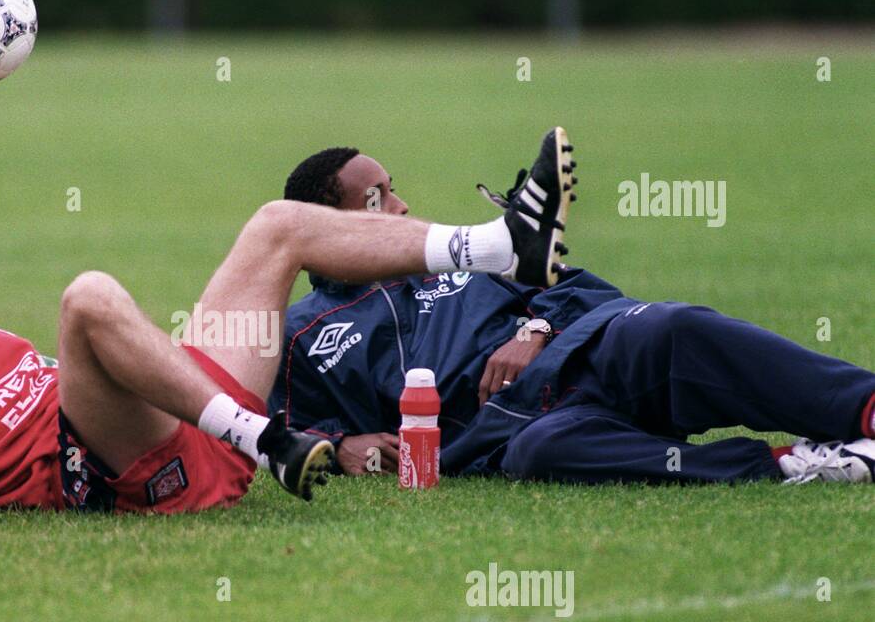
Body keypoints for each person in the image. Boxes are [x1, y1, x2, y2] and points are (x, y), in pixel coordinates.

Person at [0, 133, 570, 514]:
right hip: (116, 465)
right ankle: (266, 442)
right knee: (86, 295)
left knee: (276, 226)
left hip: (182, 421)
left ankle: (500, 247)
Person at [271, 143, 875, 484]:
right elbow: (268, 428)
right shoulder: (301, 332)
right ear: (327, 225)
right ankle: (795, 464)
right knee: (543, 455)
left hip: (583, 351)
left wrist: (536, 329)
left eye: (395, 188)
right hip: (508, 429)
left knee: (672, 326)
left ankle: (863, 408)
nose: (402, 207)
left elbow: (585, 290)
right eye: (379, 197)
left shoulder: (463, 252)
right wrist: (342, 443)